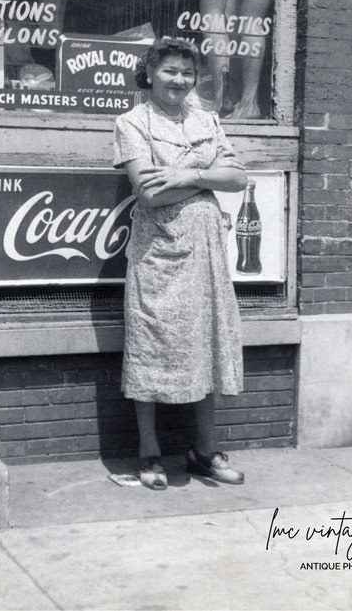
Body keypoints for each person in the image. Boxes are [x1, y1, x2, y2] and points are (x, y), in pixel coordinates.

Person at [113, 36, 247, 490]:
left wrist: (186, 174)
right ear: (150, 74)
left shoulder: (207, 120)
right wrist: (210, 180)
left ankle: (204, 452)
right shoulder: (132, 123)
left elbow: (239, 178)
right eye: (169, 70)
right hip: (159, 255)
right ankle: (149, 453)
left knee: (206, 344)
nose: (179, 79)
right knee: (152, 343)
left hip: (207, 256)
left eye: (187, 73)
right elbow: (149, 193)